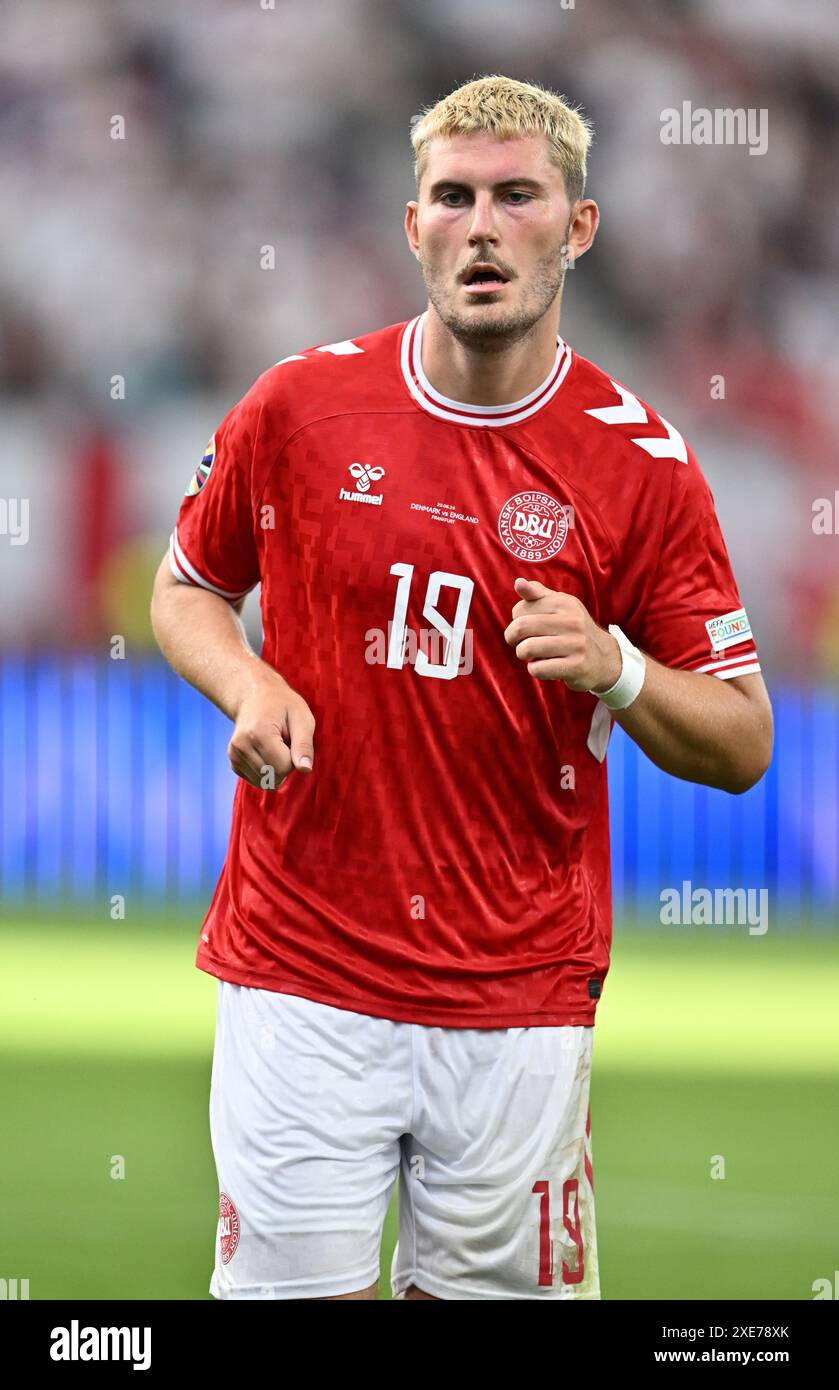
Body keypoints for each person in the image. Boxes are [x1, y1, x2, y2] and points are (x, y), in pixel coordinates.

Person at [150, 74, 773, 1301]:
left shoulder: (642, 466)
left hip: (517, 997)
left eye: (514, 197)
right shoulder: (299, 409)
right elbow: (186, 588)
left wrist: (620, 667)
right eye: (451, 197)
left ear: (575, 228)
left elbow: (742, 739)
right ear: (412, 224)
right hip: (301, 974)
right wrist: (247, 682)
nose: (480, 225)